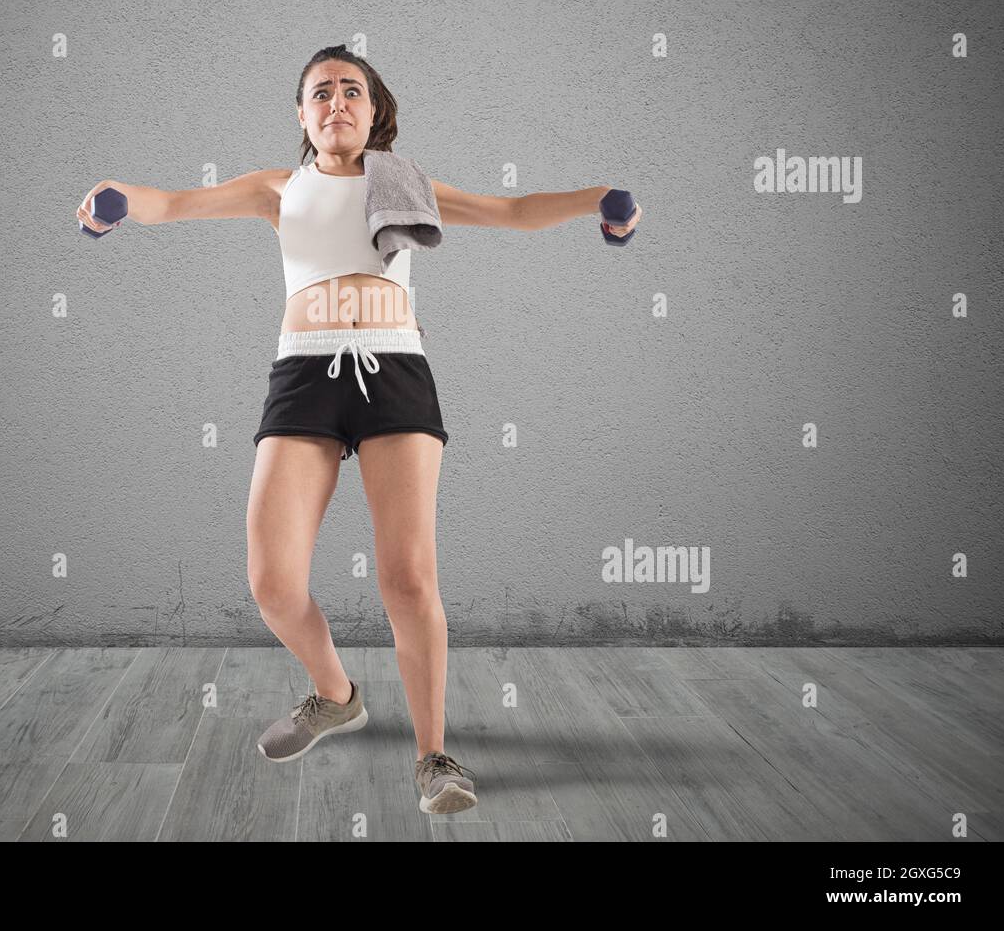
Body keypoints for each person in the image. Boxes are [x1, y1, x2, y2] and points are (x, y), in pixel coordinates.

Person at [76, 44, 642, 816]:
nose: (337, 101)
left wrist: (601, 198)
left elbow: (511, 212)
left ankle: (434, 755)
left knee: (407, 578)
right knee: (272, 582)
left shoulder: (405, 185)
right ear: (301, 114)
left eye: (352, 90)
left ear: (373, 112)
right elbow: (173, 203)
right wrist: (114, 198)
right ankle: (336, 695)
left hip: (394, 370)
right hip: (303, 376)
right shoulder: (278, 187)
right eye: (321, 92)